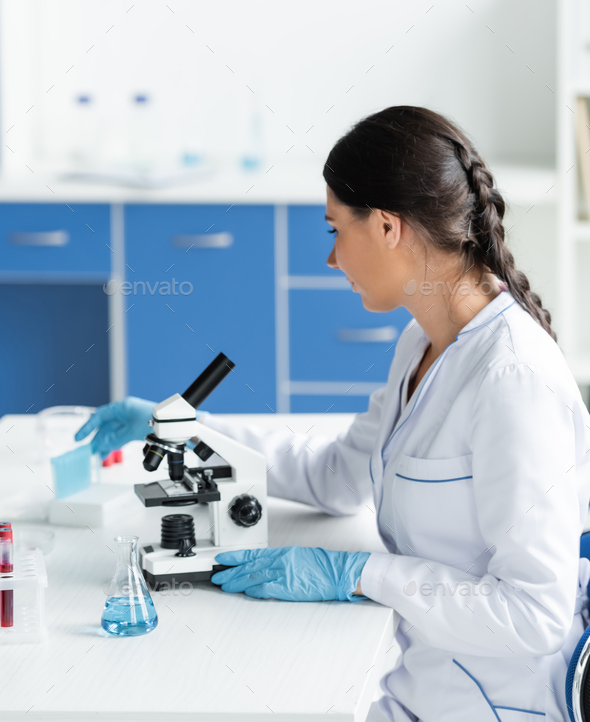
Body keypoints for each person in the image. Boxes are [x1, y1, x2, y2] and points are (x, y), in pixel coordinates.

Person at [76, 106, 590, 721]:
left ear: (387, 227)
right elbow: (338, 475)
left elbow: (534, 616)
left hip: (498, 706)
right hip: (424, 688)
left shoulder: (513, 377)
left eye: (334, 231)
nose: (331, 260)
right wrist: (191, 433)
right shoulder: (422, 345)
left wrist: (357, 573)